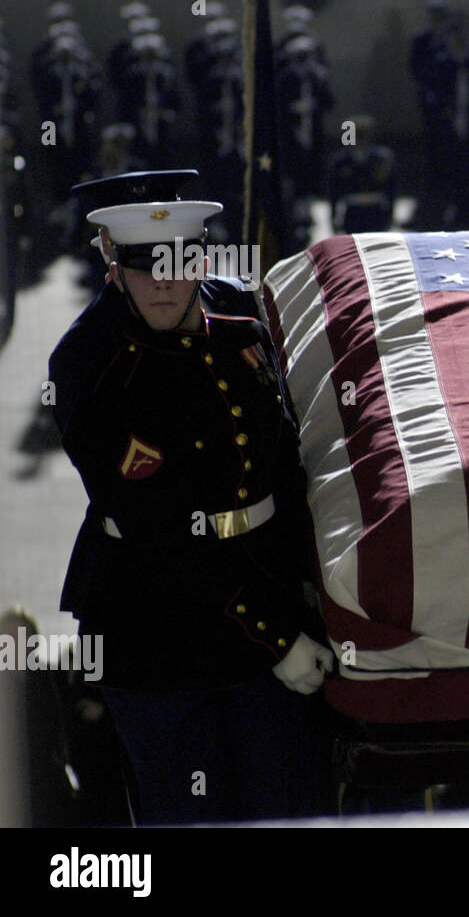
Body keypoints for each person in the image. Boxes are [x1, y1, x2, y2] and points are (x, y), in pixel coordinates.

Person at [47, 170, 332, 823]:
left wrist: (310, 586)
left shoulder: (237, 315)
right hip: (156, 631)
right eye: (145, 268)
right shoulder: (90, 364)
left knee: (285, 805)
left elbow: (283, 465)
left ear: (201, 256)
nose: (166, 283)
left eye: (180, 264)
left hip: (264, 595)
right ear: (112, 265)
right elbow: (162, 527)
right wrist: (276, 635)